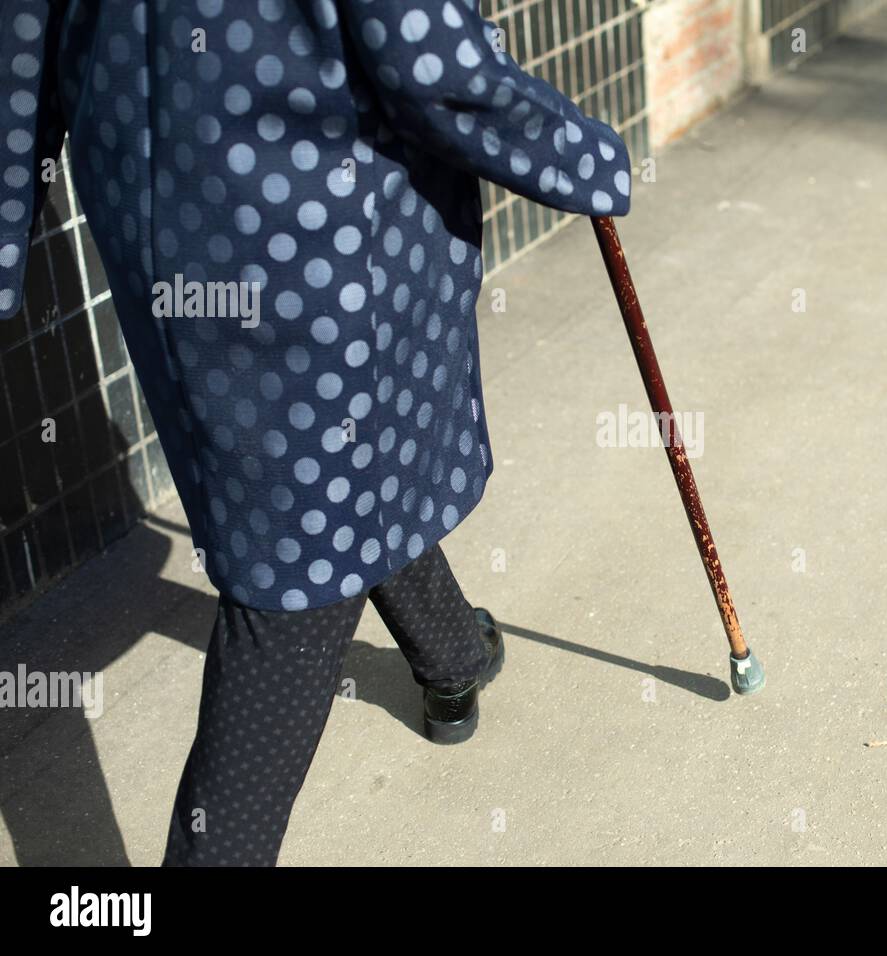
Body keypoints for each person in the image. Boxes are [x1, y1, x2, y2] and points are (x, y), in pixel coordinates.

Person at [0, 0, 631, 865]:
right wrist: (583, 155)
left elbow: (18, 50)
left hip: (164, 238)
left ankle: (451, 660)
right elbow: (438, 69)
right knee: (293, 585)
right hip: (324, 241)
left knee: (315, 487)